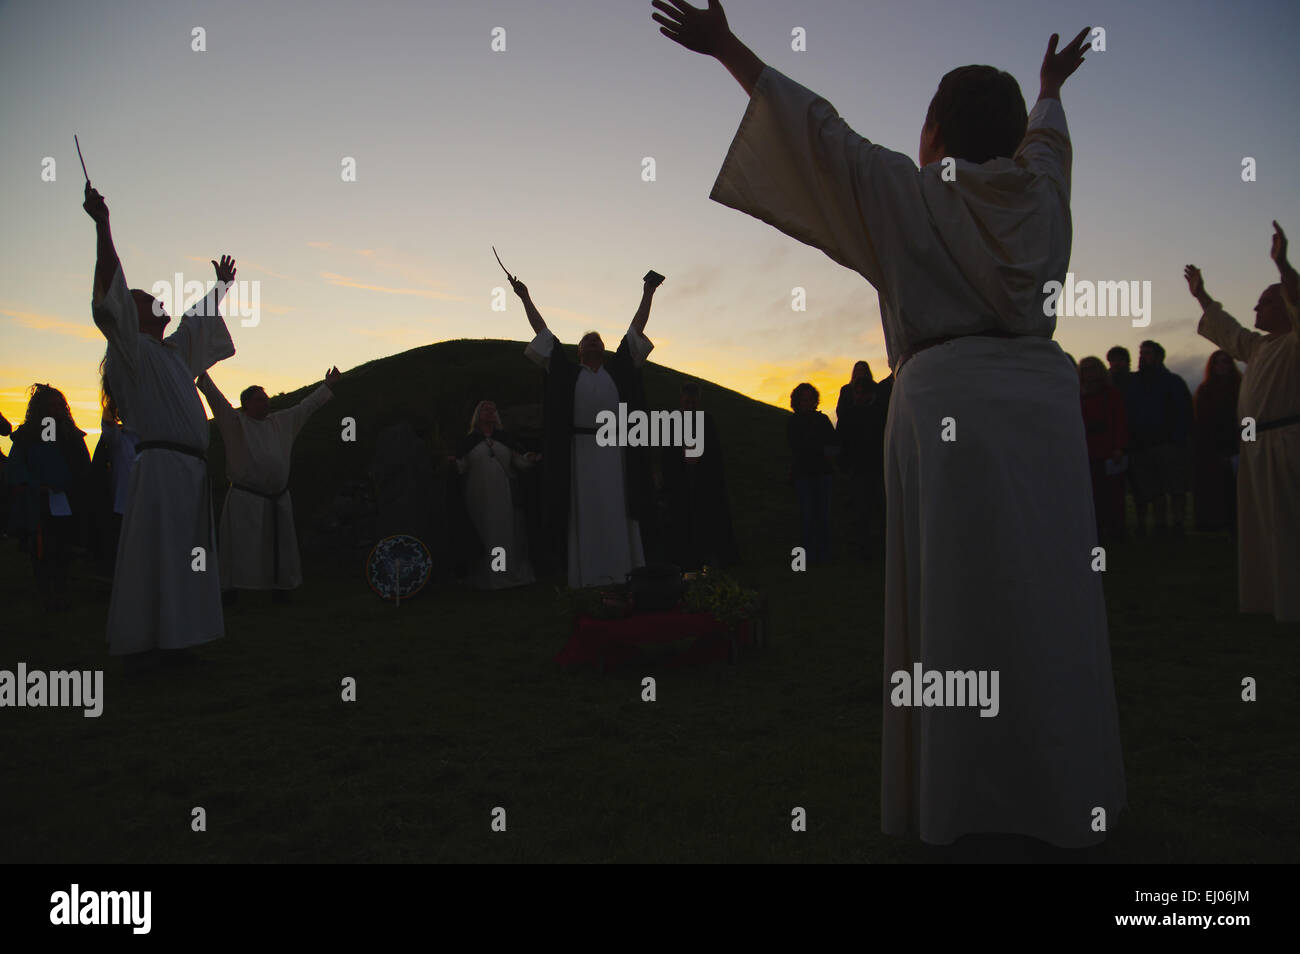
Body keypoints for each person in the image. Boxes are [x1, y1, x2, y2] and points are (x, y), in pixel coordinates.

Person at [653, 1, 1124, 851]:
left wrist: (727, 47)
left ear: (934, 130)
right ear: (1014, 135)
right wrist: (1051, 89)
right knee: (1046, 599)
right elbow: (1051, 139)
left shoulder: (905, 191)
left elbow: (816, 134)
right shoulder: (1042, 190)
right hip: (1041, 410)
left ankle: (963, 795)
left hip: (943, 402)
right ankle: (1061, 791)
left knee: (957, 599)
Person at [84, 181, 236, 667]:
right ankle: (151, 643)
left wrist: (220, 288)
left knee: (185, 557)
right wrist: (103, 226)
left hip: (187, 470)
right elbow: (110, 290)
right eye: (147, 298)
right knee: (161, 557)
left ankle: (179, 637)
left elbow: (196, 320)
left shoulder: (171, 352)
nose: (159, 300)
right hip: (163, 469)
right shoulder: (133, 352)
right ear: (133, 314)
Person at [515, 271, 659, 588]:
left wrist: (648, 293)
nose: (594, 341)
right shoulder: (567, 373)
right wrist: (525, 298)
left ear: (604, 348)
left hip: (616, 452)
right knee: (586, 511)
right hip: (579, 453)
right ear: (579, 350)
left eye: (598, 339)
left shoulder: (619, 369)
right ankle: (589, 577)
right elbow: (542, 331)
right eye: (587, 339)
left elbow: (637, 329)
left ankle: (625, 572)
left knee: (619, 508)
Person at [1186, 221, 1300, 622]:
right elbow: (1229, 331)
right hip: (1258, 448)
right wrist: (1202, 296)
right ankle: (1270, 598)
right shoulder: (1259, 346)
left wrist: (1283, 265)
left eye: (1264, 303)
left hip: (1289, 443)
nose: (1256, 310)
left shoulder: (1294, 342)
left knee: (1289, 524)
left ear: (1286, 304)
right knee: (1264, 525)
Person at [197, 368, 338, 602]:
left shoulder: (281, 421)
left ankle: (280, 588)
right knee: (243, 547)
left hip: (278, 498)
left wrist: (328, 385)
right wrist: (202, 373)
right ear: (246, 404)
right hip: (246, 499)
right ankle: (234, 591)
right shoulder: (234, 423)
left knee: (280, 547)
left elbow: (306, 406)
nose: (266, 403)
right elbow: (217, 399)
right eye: (260, 400)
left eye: (266, 399)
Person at [5, 385, 91, 610]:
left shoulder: (71, 435)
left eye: (58, 405)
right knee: (41, 550)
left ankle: (60, 592)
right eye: (50, 405)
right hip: (39, 502)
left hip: (66, 501)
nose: (55, 409)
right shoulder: (27, 436)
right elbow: (16, 467)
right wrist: (35, 485)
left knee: (64, 548)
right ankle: (46, 594)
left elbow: (82, 467)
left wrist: (71, 486)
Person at [448, 400, 540, 589]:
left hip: (502, 495)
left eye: (492, 409)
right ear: (477, 415)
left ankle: (503, 574)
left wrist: (530, 458)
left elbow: (520, 461)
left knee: (503, 532)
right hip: (477, 495)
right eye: (485, 409)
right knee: (483, 532)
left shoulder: (505, 439)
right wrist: (452, 463)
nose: (489, 412)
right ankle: (484, 576)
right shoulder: (469, 442)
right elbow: (461, 465)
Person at [660, 381, 739, 570]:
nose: (690, 406)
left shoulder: (706, 420)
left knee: (704, 519)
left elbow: (714, 451)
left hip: (703, 480)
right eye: (687, 402)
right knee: (682, 519)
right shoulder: (672, 420)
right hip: (680, 479)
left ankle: (706, 556)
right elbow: (667, 451)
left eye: (693, 403)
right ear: (681, 400)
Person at [1126, 340, 1193, 537]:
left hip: (1169, 444)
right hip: (1141, 445)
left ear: (1158, 356)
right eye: (1140, 353)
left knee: (1176, 487)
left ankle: (1179, 524)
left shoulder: (1173, 382)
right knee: (1153, 489)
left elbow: (1184, 412)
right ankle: (1160, 525)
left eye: (1146, 353)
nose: (1141, 357)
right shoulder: (1133, 383)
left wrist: (1178, 439)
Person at [836, 362, 893, 556]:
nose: (859, 396)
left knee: (881, 509)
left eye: (863, 393)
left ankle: (885, 549)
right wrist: (845, 464)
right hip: (859, 469)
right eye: (857, 393)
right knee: (862, 511)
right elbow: (843, 441)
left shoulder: (880, 412)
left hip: (877, 466)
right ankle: (864, 550)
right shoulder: (848, 415)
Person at [89, 371, 140, 577]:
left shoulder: (150, 435)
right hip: (124, 505)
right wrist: (115, 392)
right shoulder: (118, 437)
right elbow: (108, 422)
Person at [1078, 357, 1128, 542]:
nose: (1089, 373)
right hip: (1086, 452)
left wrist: (1119, 447)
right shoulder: (1077, 394)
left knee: (1112, 494)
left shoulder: (1112, 394)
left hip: (1108, 451)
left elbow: (1120, 421)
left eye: (1092, 368)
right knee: (1091, 494)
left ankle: (1115, 529)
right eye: (1085, 369)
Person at [787, 383, 837, 565]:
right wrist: (820, 450)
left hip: (821, 473)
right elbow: (796, 446)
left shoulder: (822, 420)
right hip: (804, 474)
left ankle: (823, 556)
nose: (808, 403)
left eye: (810, 400)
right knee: (807, 516)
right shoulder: (794, 422)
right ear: (798, 402)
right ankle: (808, 556)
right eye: (804, 400)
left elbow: (832, 444)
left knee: (822, 516)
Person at [1192, 350, 1241, 534]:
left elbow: (1249, 419)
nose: (1222, 366)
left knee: (1238, 490)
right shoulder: (1205, 391)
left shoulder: (1241, 387)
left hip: (1239, 446)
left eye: (1225, 362)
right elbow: (1203, 422)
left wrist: (1247, 444)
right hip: (1212, 447)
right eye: (1218, 363)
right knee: (1216, 489)